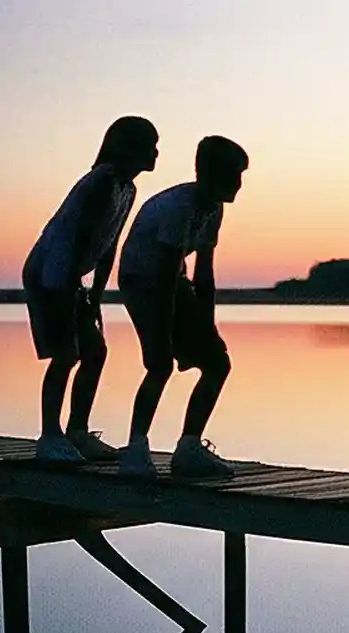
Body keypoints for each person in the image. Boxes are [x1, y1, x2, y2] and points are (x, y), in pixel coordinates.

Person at [22, 116, 158, 463]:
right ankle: (50, 437)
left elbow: (108, 244)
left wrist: (96, 293)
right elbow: (81, 239)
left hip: (72, 276)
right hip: (49, 273)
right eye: (149, 144)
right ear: (128, 148)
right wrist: (69, 290)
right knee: (66, 354)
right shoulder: (103, 182)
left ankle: (78, 433)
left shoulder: (128, 188)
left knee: (95, 353)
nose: (156, 152)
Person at [116, 136, 249, 480]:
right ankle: (135, 448)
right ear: (211, 175)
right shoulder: (179, 207)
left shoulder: (213, 209)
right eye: (235, 175)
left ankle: (188, 449)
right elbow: (162, 274)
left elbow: (204, 274)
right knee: (159, 364)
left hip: (172, 280)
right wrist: (163, 332)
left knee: (217, 363)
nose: (239, 183)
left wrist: (208, 327)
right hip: (141, 280)